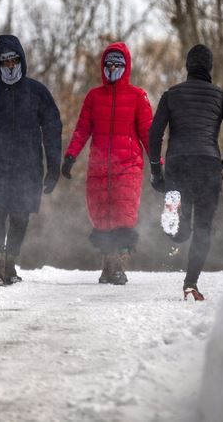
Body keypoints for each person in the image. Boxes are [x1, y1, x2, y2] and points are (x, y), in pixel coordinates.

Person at [148, 44, 223, 301]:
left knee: (179, 228)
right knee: (203, 228)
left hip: (177, 166)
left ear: (187, 66)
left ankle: (175, 222)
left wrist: (156, 170)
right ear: (210, 68)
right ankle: (190, 283)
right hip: (208, 167)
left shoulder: (171, 94)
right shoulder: (221, 97)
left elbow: (155, 133)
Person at [0, 34, 62, 287]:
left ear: (21, 60)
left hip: (28, 168)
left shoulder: (37, 92)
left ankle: (9, 265)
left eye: (13, 60)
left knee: (20, 216)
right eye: (4, 61)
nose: (10, 66)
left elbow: (52, 129)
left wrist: (54, 167)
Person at [61, 42, 153, 285]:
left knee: (123, 216)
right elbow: (82, 129)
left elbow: (148, 133)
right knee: (102, 216)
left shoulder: (137, 96)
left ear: (126, 66)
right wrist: (70, 155)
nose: (113, 68)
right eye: (109, 64)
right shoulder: (94, 96)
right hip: (100, 166)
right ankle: (107, 266)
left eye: (118, 64)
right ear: (103, 66)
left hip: (128, 166)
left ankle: (119, 267)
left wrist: (158, 163)